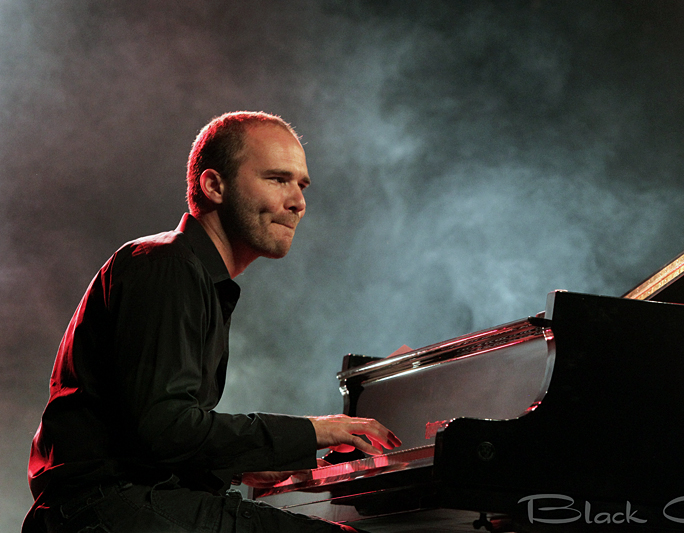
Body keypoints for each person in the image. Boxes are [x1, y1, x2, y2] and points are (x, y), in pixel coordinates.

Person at [23, 111, 401, 532]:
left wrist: (238, 469)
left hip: (113, 505)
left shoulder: (189, 273)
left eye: (302, 184)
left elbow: (148, 435)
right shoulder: (166, 265)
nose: (298, 202)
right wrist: (312, 431)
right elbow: (165, 427)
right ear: (214, 185)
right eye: (278, 180)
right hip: (108, 510)